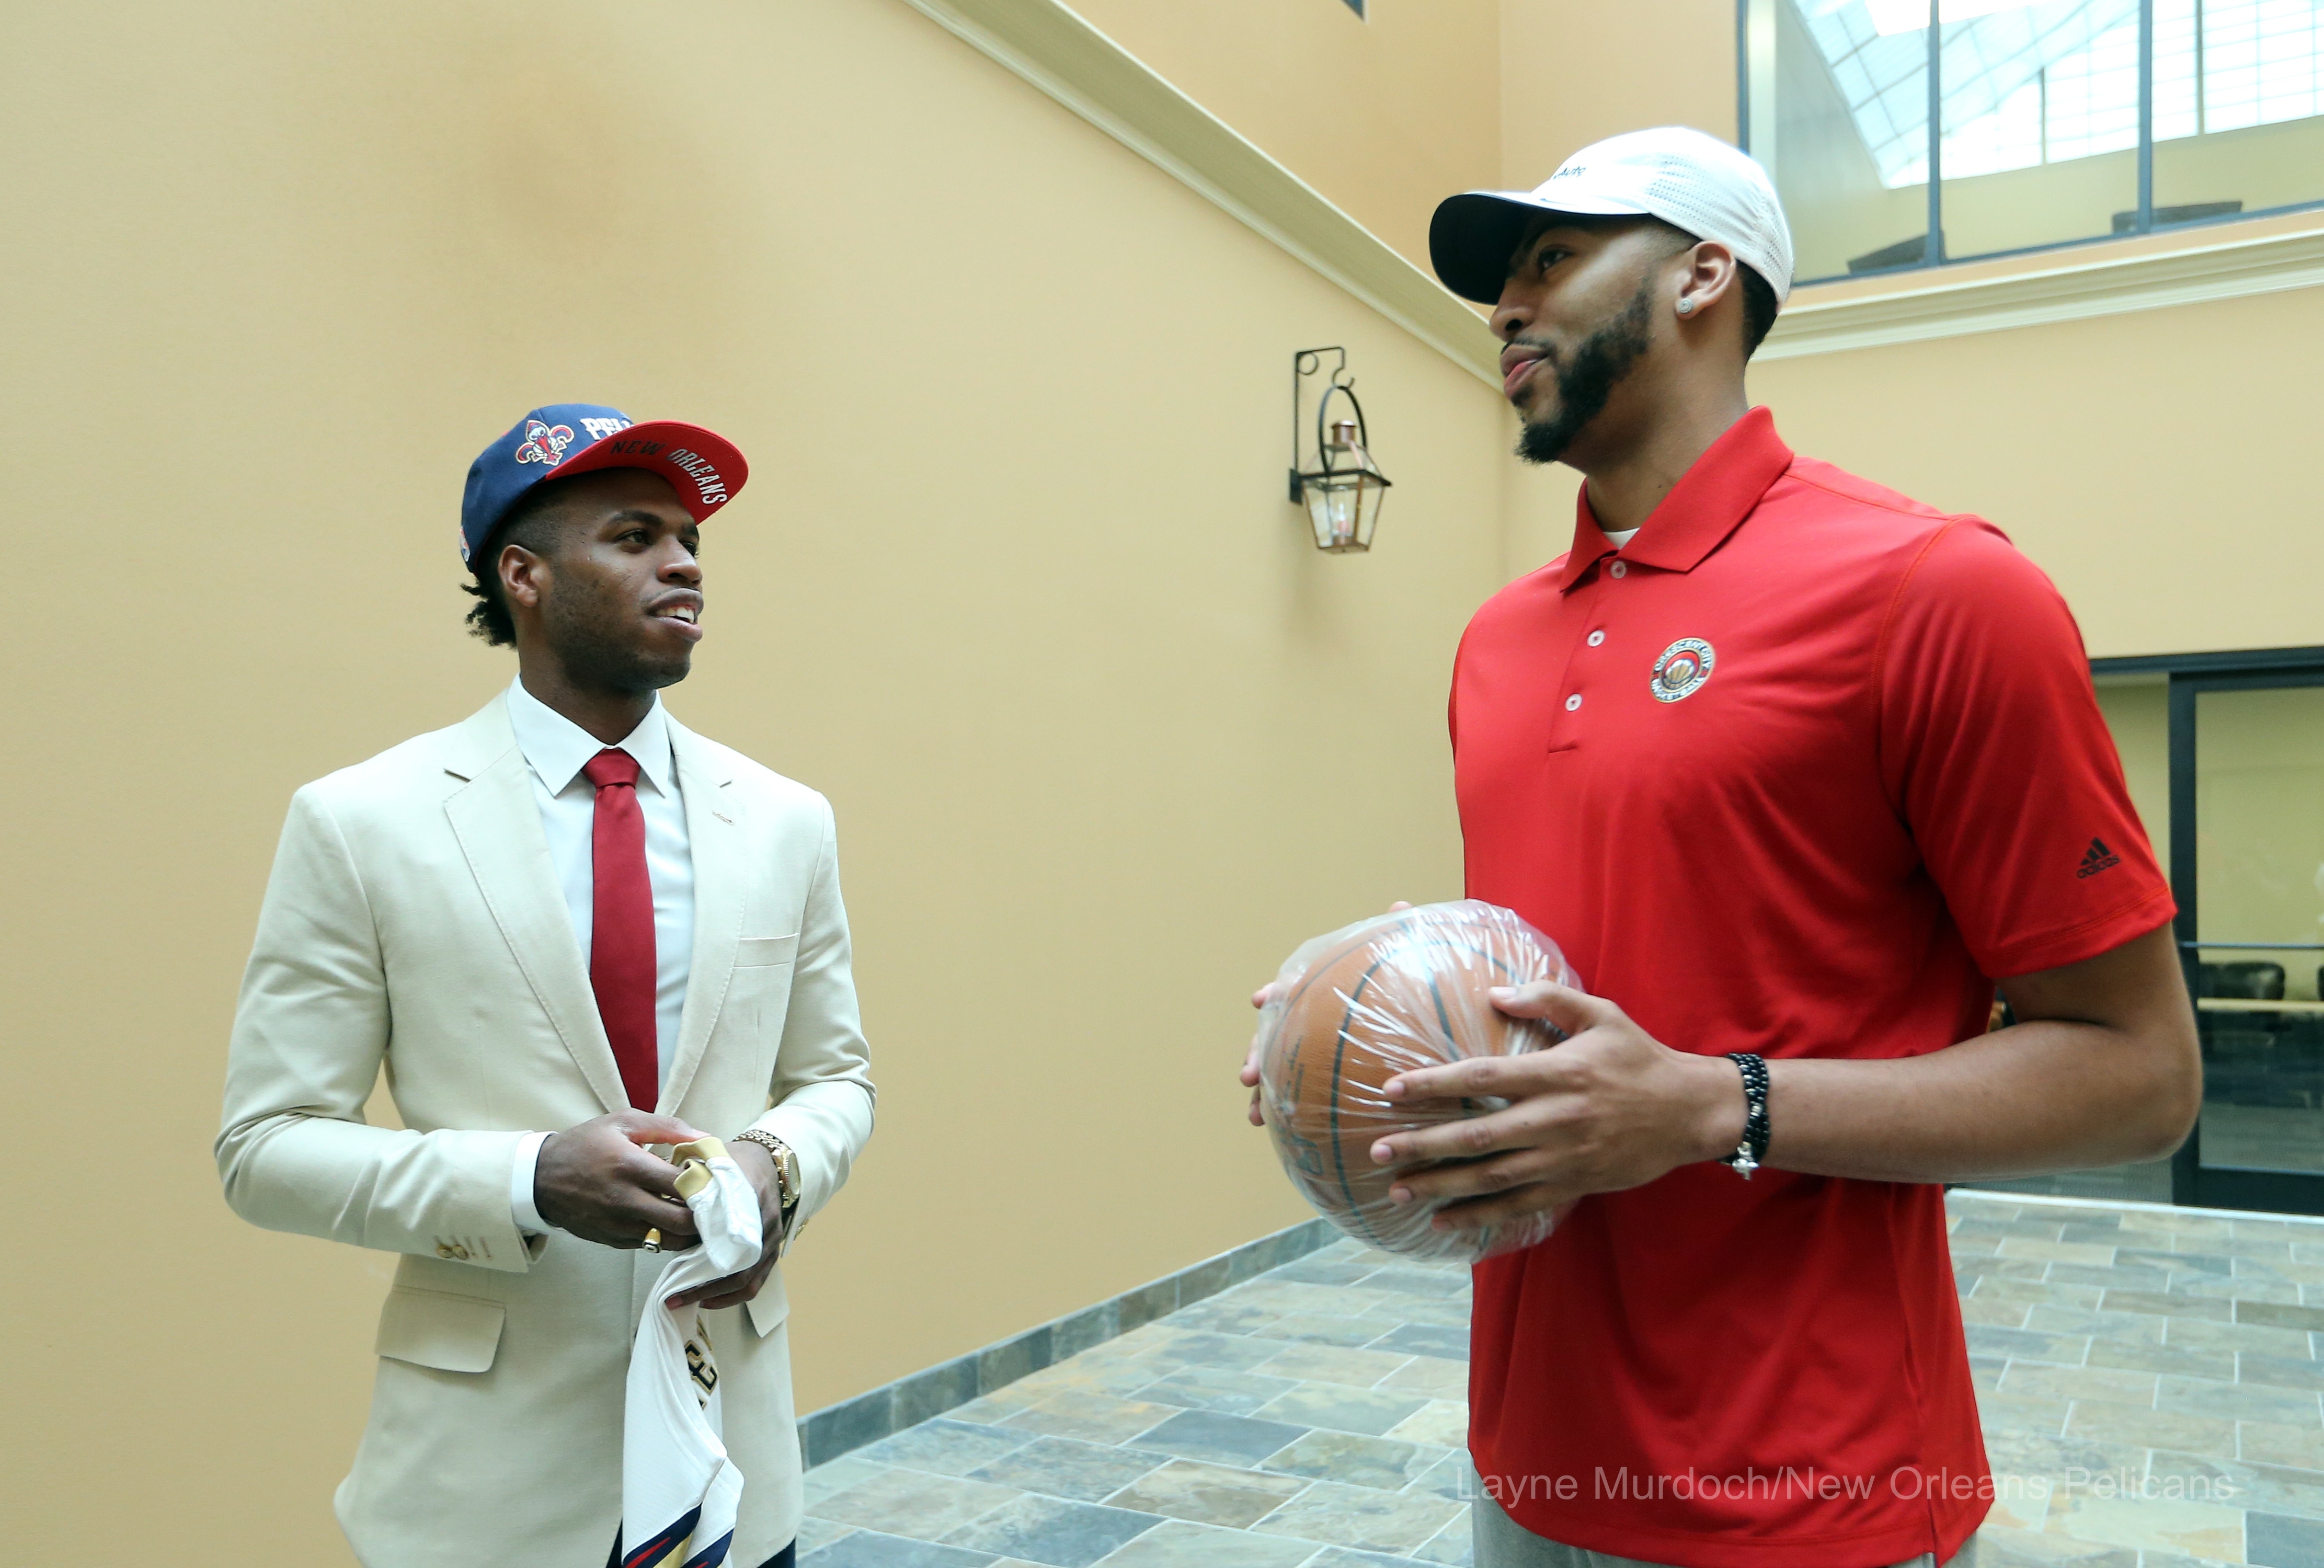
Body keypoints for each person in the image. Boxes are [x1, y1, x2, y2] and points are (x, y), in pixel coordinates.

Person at [1245, 129, 2200, 1568]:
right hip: (1521, 1470)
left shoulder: (1936, 592)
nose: (1505, 307)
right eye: (1501, 280)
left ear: (1705, 274)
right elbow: (1592, 967)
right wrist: (1372, 1020)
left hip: (1814, 1490)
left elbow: (2138, 1077)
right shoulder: (1494, 643)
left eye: (1552, 261)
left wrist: (1716, 1106)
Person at [217, 405, 875, 1568]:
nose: (682, 563)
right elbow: (266, 1147)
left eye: (690, 541)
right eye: (633, 536)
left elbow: (836, 1080)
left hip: (735, 1459)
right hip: (485, 1486)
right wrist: (527, 1177)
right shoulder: (362, 820)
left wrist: (773, 1171)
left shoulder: (786, 821)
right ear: (523, 575)